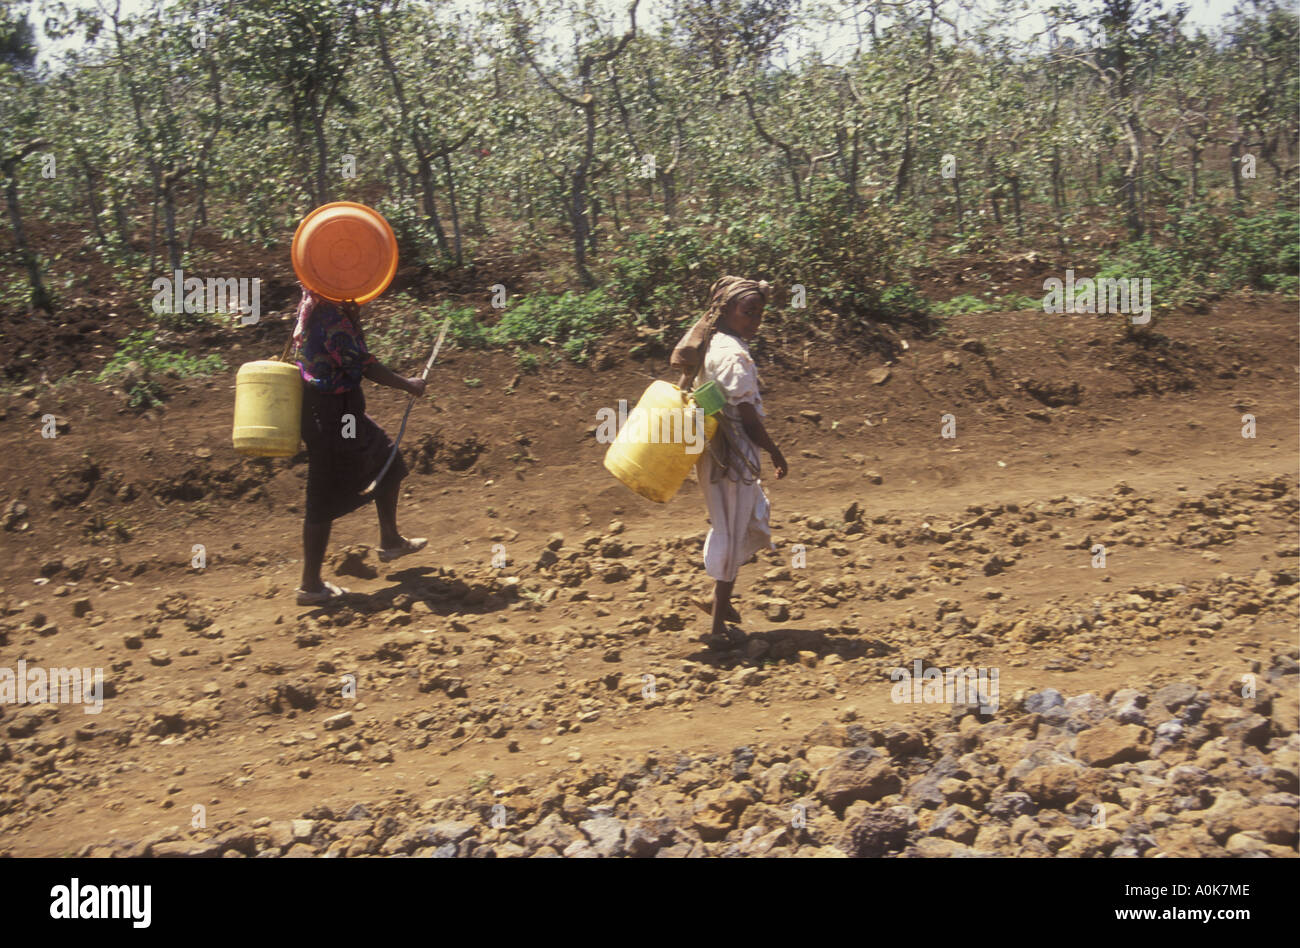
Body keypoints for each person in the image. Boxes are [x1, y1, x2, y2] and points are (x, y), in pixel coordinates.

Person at [292, 285, 427, 605]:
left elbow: (351, 354)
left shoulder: (318, 305)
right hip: (331, 415)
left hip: (340, 413)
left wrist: (355, 318)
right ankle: (310, 585)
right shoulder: (329, 316)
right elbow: (362, 363)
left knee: (386, 458)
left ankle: (391, 540)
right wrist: (408, 385)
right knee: (322, 493)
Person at [672, 276, 788, 644]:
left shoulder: (715, 344)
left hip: (719, 450)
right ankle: (718, 627)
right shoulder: (733, 354)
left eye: (759, 314)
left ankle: (716, 601)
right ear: (726, 311)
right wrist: (773, 450)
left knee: (742, 519)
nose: (755, 321)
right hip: (732, 454)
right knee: (733, 528)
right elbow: (748, 418)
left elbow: (709, 398)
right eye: (748, 312)